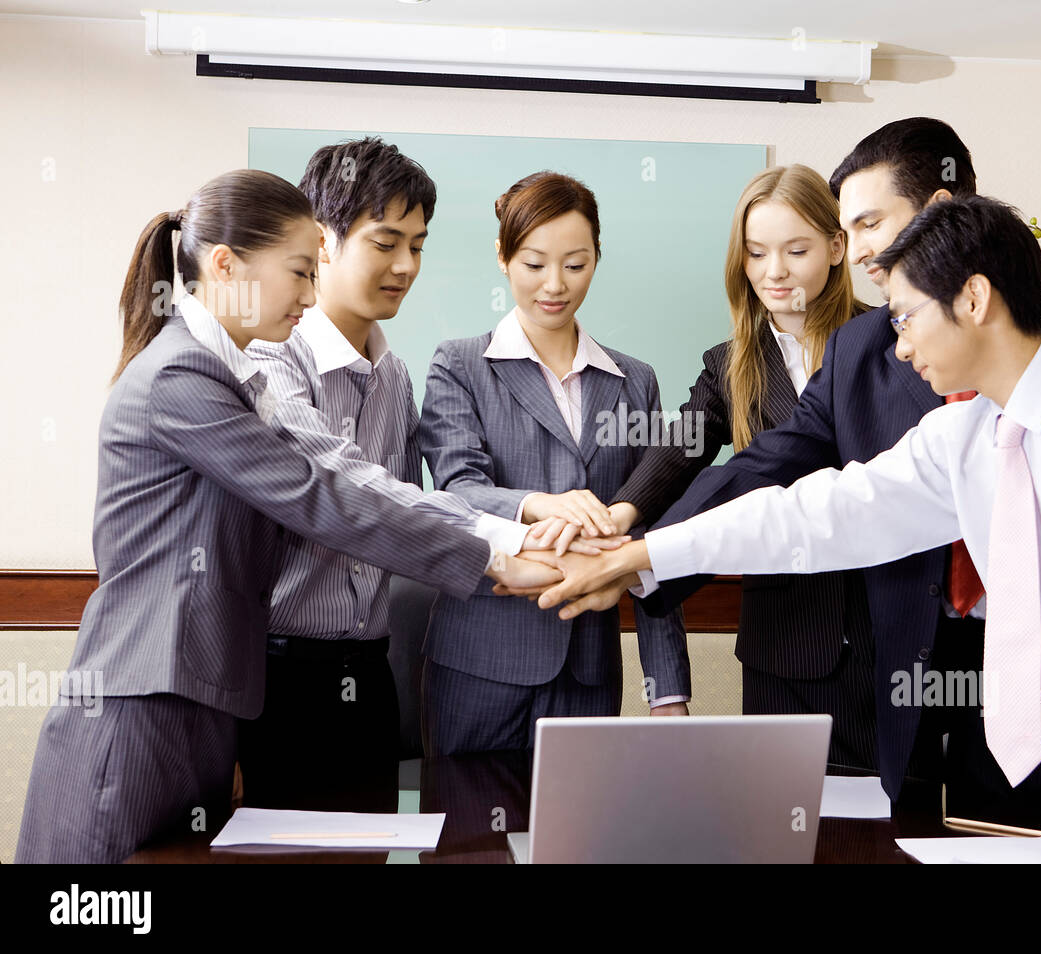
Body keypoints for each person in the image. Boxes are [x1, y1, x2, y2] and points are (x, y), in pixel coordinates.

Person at [526, 195, 1041, 864]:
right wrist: (644, 554)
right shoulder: (964, 439)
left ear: (972, 299)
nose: (896, 346)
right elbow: (813, 514)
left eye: (904, 318)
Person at [564, 118, 1041, 821]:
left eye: (869, 223)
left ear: (940, 211)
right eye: (848, 231)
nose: (858, 253)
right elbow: (773, 470)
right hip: (904, 663)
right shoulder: (862, 348)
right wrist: (638, 555)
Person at [15, 169, 559, 864]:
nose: (310, 293)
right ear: (225, 265)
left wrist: (498, 539)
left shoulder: (233, 375)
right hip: (143, 703)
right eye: (300, 271)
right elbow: (317, 497)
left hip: (195, 699)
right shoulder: (184, 377)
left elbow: (346, 478)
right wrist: (488, 560)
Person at [238, 139, 606, 810]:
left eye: (418, 245)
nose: (406, 266)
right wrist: (508, 546)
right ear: (323, 241)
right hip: (279, 673)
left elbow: (414, 512)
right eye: (385, 243)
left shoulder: (394, 375)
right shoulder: (271, 358)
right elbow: (351, 487)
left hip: (372, 672)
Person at [598, 164, 875, 767]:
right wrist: (621, 517)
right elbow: (679, 450)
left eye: (796, 250)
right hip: (785, 644)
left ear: (836, 247)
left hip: (886, 638)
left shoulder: (888, 341)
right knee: (781, 827)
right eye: (756, 254)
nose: (774, 272)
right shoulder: (730, 365)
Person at [417, 171, 690, 755]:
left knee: (577, 842)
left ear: (597, 257)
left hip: (587, 670)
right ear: (503, 256)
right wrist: (538, 503)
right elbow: (457, 490)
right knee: (469, 840)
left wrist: (666, 688)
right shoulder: (460, 365)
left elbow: (649, 532)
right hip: (479, 663)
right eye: (534, 263)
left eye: (576, 263)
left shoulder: (634, 381)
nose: (555, 285)